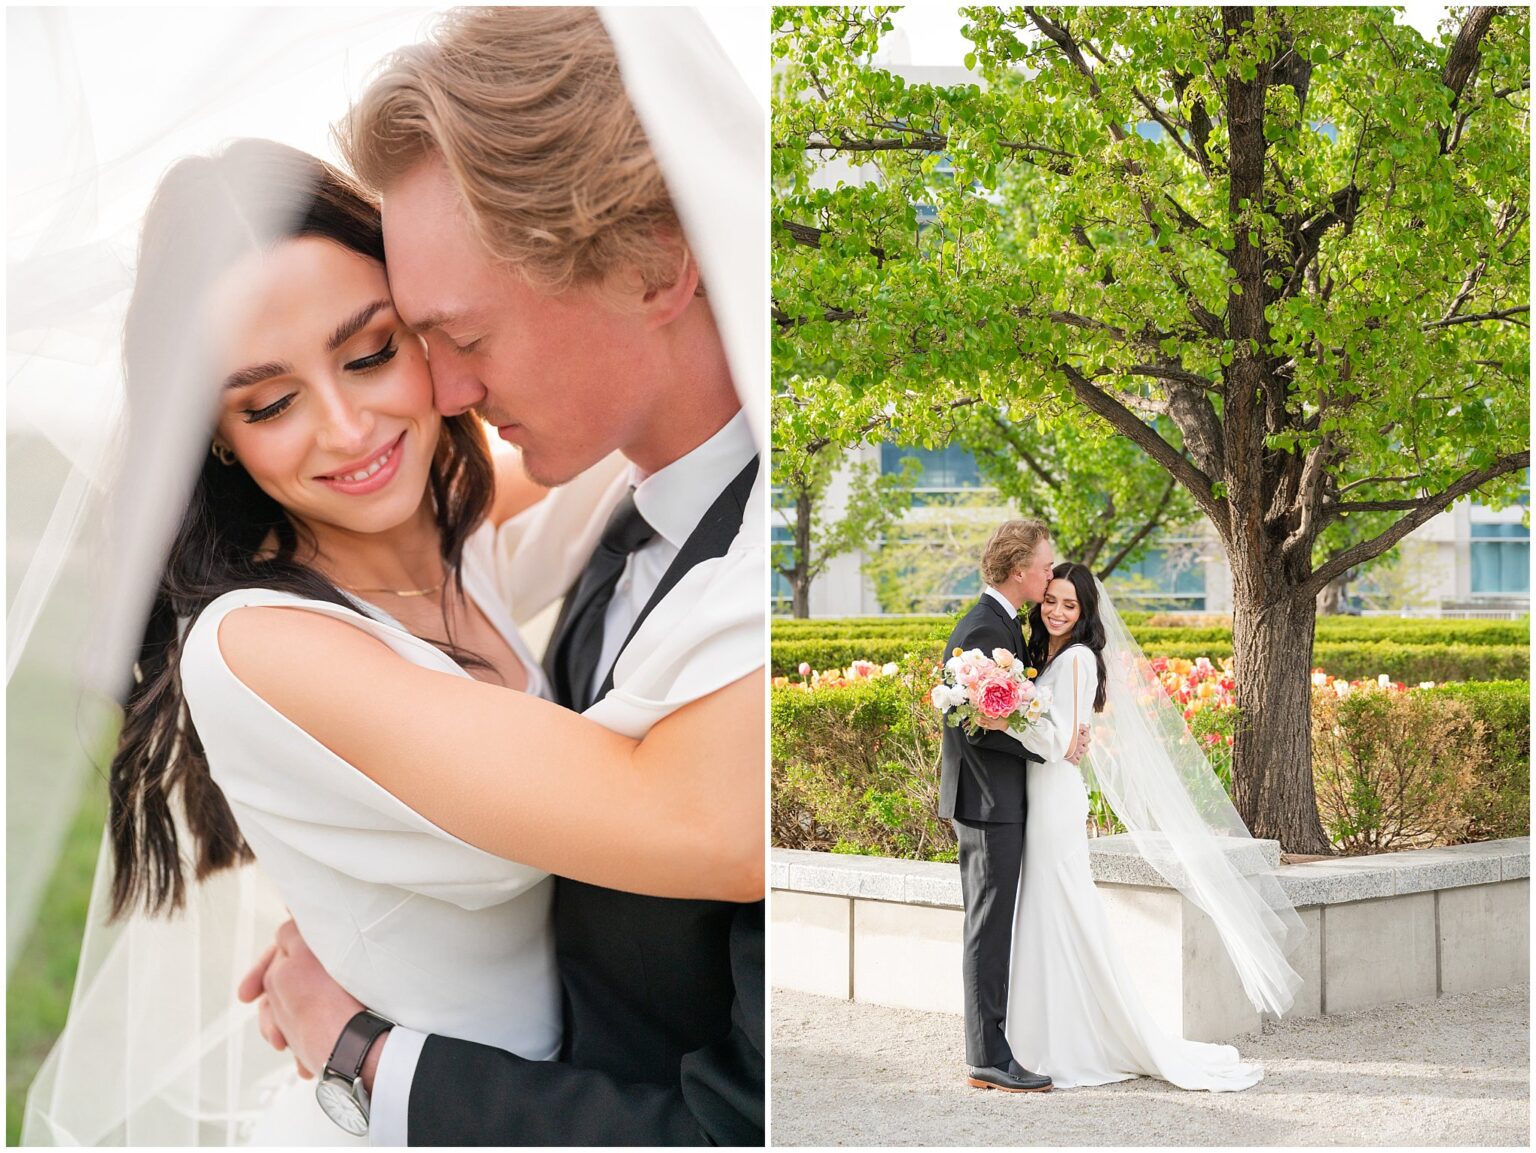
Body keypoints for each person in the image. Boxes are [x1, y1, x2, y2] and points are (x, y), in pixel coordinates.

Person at [237, 8, 765, 1146]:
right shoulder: (614, 508)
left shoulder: (752, 583)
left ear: (653, 264)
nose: (444, 393)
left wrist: (373, 1056)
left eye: (457, 336)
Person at [991, 562, 1305, 1090]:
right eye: (1052, 601)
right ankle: (1045, 1033)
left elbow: (1058, 743)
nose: (1058, 611)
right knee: (1050, 910)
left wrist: (1002, 717)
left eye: (1071, 605)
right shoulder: (1045, 656)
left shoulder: (1075, 661)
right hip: (1042, 796)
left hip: (1053, 798)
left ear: (1086, 612)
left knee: (1060, 907)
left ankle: (1072, 1041)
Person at [938, 519, 1090, 1093]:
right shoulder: (984, 631)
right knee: (988, 925)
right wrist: (1054, 742)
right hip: (986, 800)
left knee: (995, 923)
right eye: (1046, 566)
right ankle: (988, 1057)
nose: (1050, 574)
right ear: (1020, 569)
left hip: (997, 796)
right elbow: (980, 726)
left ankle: (995, 1049)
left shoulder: (1002, 624)